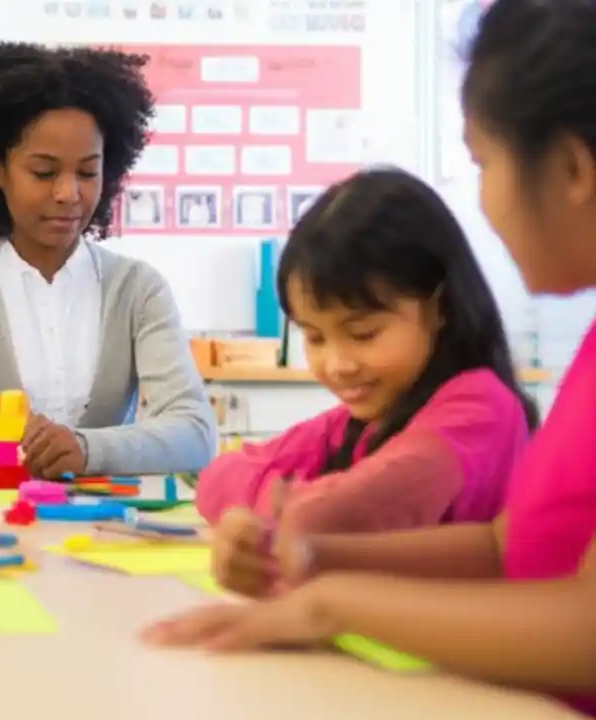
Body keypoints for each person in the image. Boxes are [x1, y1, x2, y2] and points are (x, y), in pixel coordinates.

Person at [142, 1, 596, 714]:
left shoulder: (476, 404)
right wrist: (319, 560)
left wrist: (333, 602)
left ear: (570, 168)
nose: (481, 196)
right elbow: (505, 549)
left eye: (482, 162)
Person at [0, 42, 215, 479]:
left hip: (105, 533)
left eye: (87, 172)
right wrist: (5, 440)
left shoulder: (137, 290)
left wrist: (85, 449)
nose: (68, 194)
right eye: (44, 172)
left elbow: (193, 432)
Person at [193, 168, 535, 534]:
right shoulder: (355, 424)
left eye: (363, 334)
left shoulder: (480, 410)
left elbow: (339, 516)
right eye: (315, 338)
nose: (338, 365)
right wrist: (287, 507)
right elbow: (215, 481)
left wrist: (276, 510)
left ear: (440, 308)